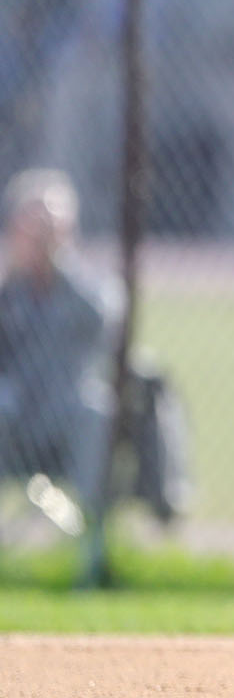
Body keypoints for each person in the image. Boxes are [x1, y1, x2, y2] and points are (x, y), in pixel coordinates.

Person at [0, 169, 118, 514]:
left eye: (49, 228)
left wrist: (59, 262)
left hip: (67, 413)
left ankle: (91, 537)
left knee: (97, 408)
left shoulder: (83, 288)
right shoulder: (8, 289)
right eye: (31, 227)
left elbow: (107, 317)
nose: (40, 239)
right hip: (16, 415)